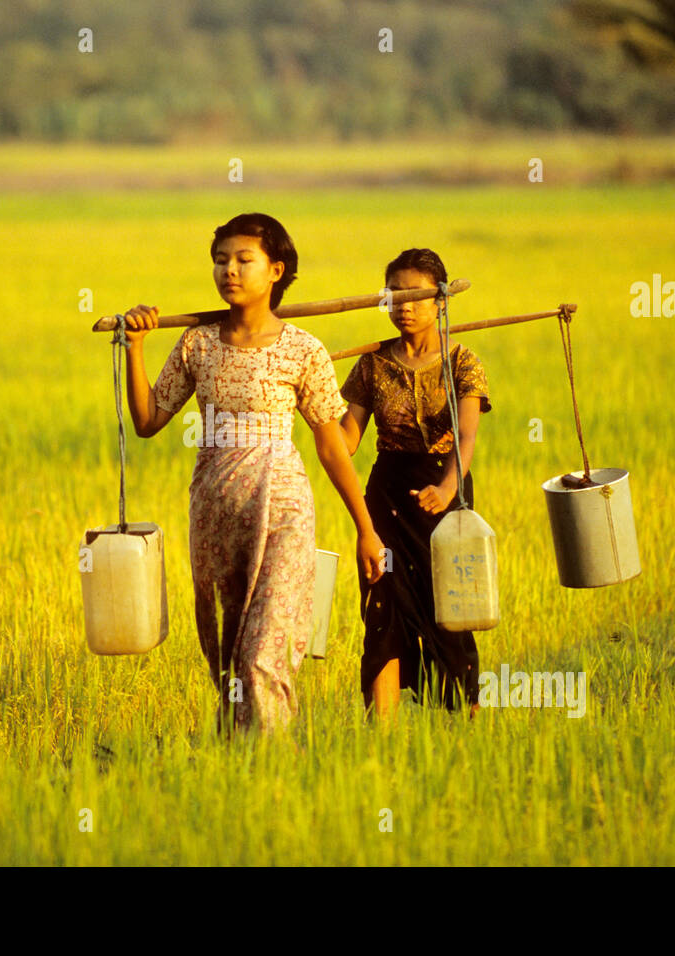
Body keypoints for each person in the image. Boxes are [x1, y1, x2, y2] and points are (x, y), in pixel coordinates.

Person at [121, 213, 385, 733]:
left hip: (282, 504)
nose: (229, 272)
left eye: (244, 260)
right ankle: (240, 768)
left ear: (276, 270)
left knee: (265, 655)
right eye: (221, 261)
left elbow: (331, 447)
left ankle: (277, 774)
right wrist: (135, 347)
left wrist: (366, 529)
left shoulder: (303, 350)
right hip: (216, 508)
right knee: (227, 662)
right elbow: (149, 420)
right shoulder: (198, 343)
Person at [339, 248, 491, 719]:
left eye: (415, 295)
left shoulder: (463, 362)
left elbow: (465, 437)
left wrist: (447, 489)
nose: (403, 305)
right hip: (386, 494)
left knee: (451, 606)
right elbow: (345, 442)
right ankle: (379, 731)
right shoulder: (371, 365)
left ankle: (467, 718)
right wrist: (310, 396)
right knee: (382, 606)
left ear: (440, 302)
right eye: (394, 295)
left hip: (446, 490)